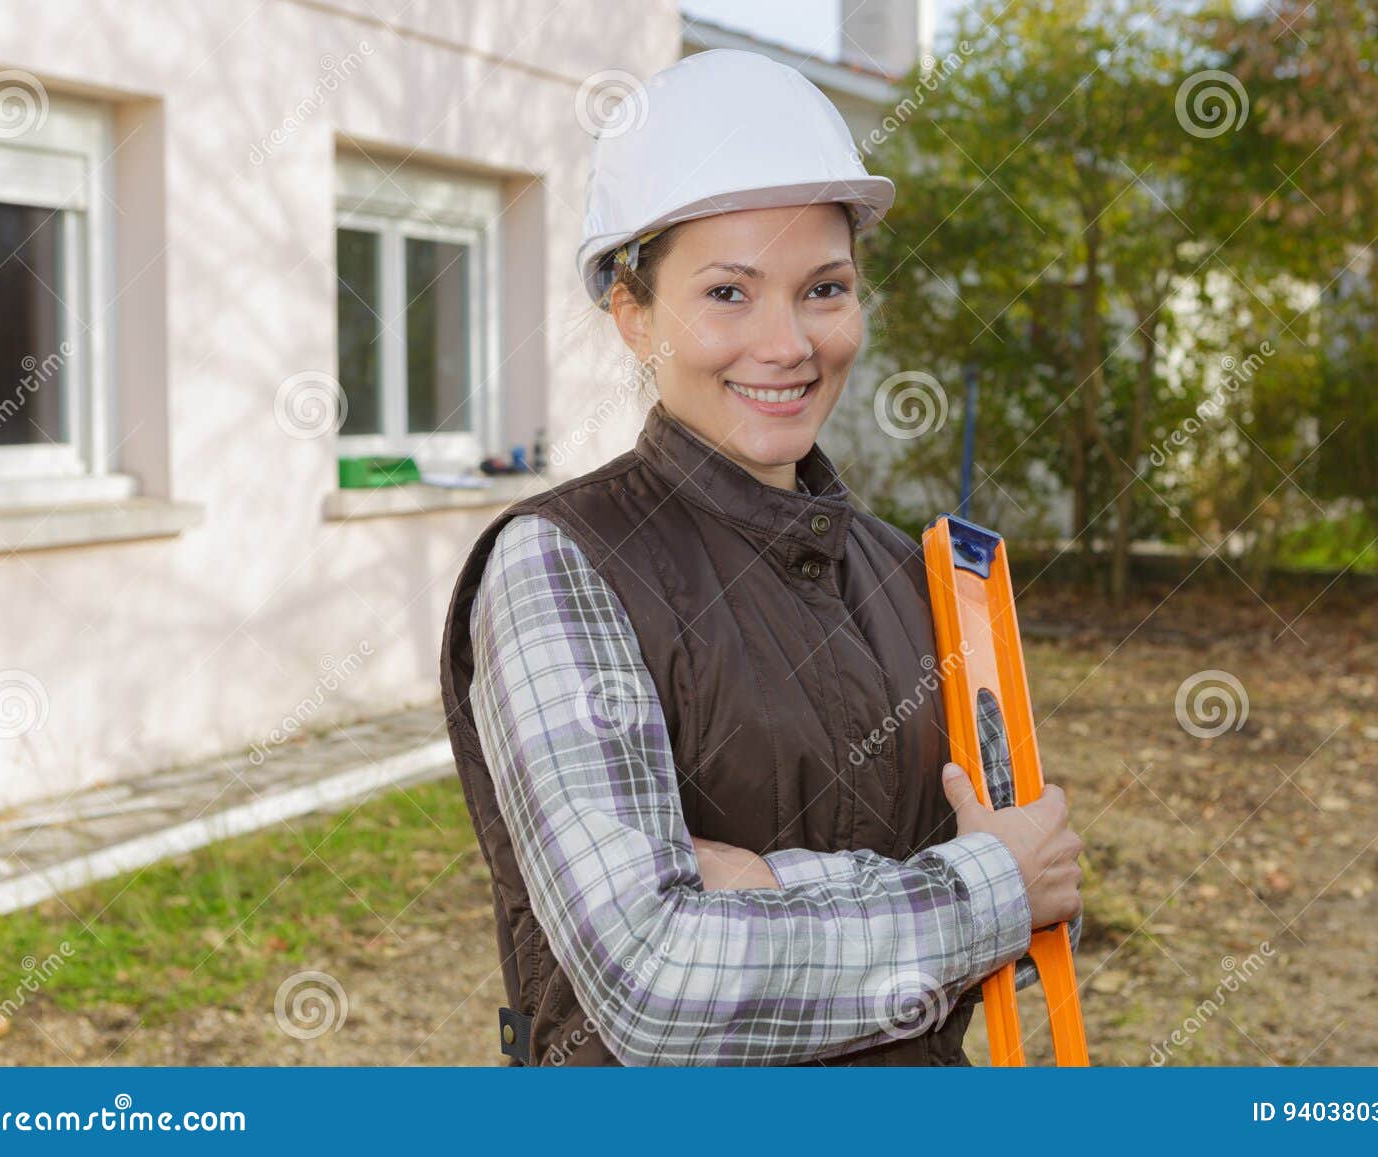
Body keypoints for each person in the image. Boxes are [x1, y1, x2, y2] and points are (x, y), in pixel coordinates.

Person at [438, 48, 1084, 1067]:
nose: (786, 343)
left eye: (823, 288)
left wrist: (773, 888)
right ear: (633, 314)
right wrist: (974, 887)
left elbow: (1047, 894)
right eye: (729, 294)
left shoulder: (927, 576)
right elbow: (658, 984)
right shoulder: (557, 566)